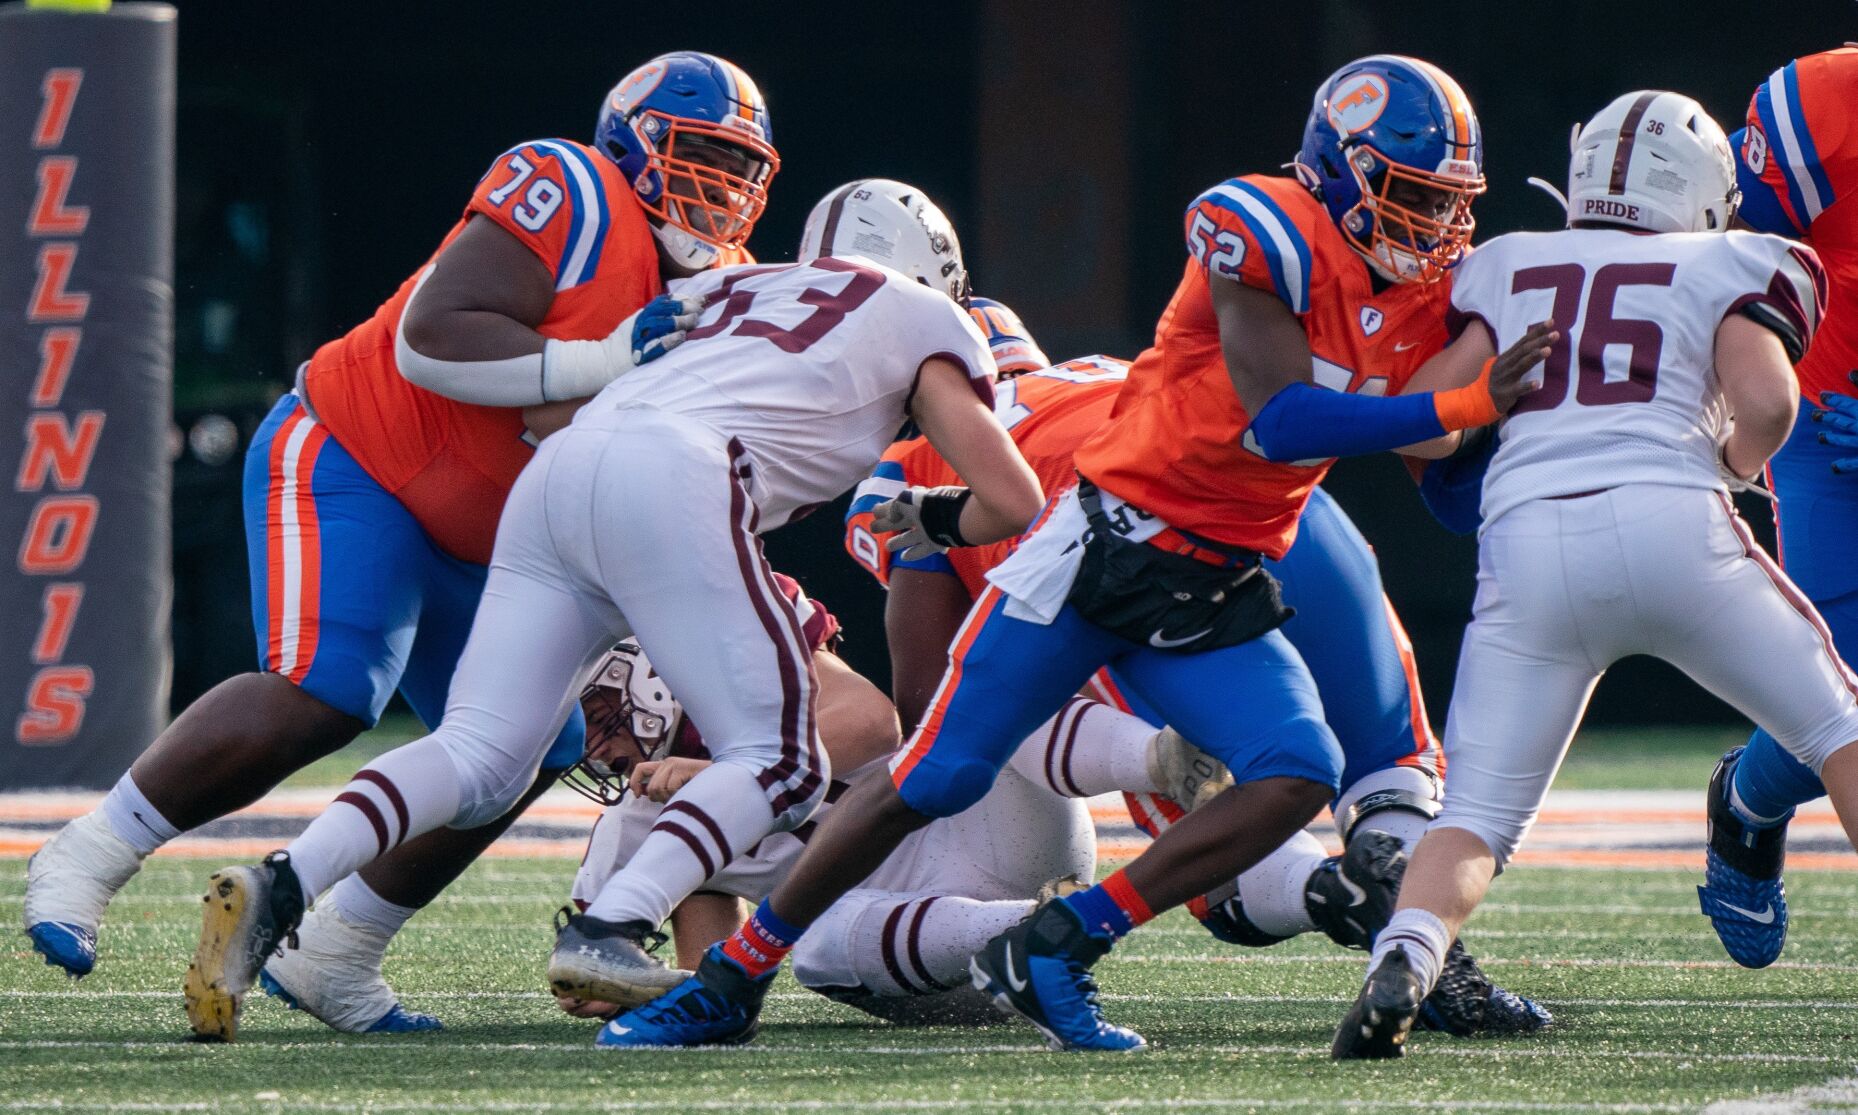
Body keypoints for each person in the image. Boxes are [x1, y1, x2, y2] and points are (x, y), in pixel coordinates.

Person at [602, 54, 1555, 1053]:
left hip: (1196, 558)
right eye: (1411, 195)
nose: (1434, 224)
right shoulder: (1244, 239)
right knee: (963, 770)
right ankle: (731, 977)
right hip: (1120, 548)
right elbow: (1305, 420)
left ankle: (1055, 942)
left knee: (1272, 767)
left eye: (1446, 203)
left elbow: (1388, 432)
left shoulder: (920, 433)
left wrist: (1478, 401)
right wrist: (1469, 394)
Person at [179, 177, 1045, 1043]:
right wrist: (935, 514)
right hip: (677, 477)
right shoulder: (931, 321)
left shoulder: (732, 286)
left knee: (478, 750)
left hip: (560, 471)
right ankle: (611, 928)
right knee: (782, 760)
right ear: (936, 274)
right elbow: (1012, 498)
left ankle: (284, 883)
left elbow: (554, 411)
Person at [22, 53, 777, 1034]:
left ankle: (337, 950)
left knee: (525, 747)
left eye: (738, 166)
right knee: (327, 688)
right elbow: (434, 335)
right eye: (698, 155)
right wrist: (603, 357)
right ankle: (87, 853)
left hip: (494, 534)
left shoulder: (730, 292)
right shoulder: (571, 189)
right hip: (359, 455)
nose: (716, 186)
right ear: (631, 144)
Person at [850, 305, 1545, 1036]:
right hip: (1291, 509)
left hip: (1136, 556)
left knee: (1216, 854)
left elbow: (929, 697)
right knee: (1393, 761)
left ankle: (1334, 890)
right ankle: (1419, 945)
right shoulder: (1101, 371)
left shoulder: (914, 456)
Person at [1331, 90, 1850, 1060]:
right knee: (1839, 726)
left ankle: (1405, 949)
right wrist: (1731, 468)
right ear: (1699, 190)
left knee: (1476, 814)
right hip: (1674, 523)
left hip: (1528, 548)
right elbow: (1769, 400)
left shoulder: (1512, 265)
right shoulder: (1733, 259)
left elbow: (1428, 417)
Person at [1695, 47, 1858, 969]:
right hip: (1833, 425)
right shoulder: (1822, 100)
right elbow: (1733, 263)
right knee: (1842, 684)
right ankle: (1749, 800)